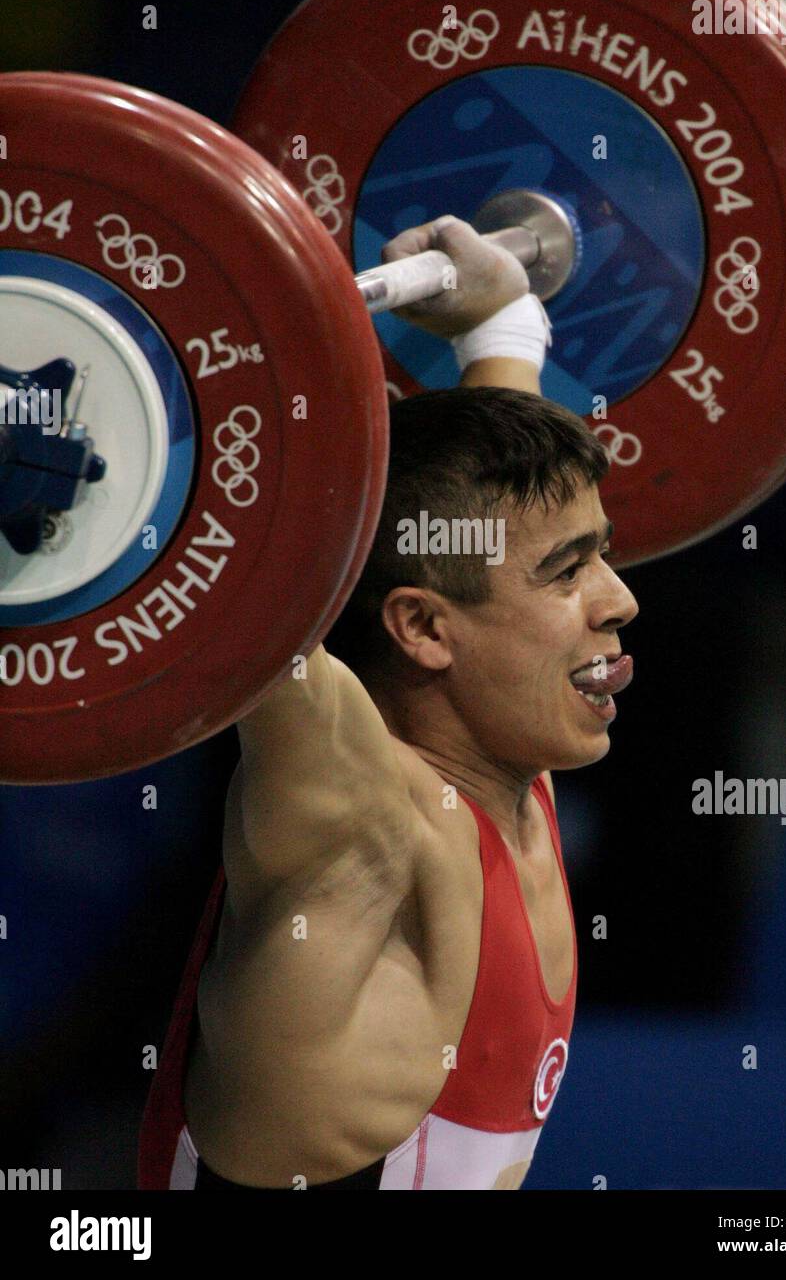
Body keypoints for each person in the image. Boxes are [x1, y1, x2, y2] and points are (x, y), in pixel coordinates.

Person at [138, 216, 638, 1191]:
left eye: (600, 552)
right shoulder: (362, 828)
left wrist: (499, 329)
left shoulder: (499, 738)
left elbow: (499, 499)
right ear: (422, 629)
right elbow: (249, 598)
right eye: (571, 570)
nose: (620, 598)